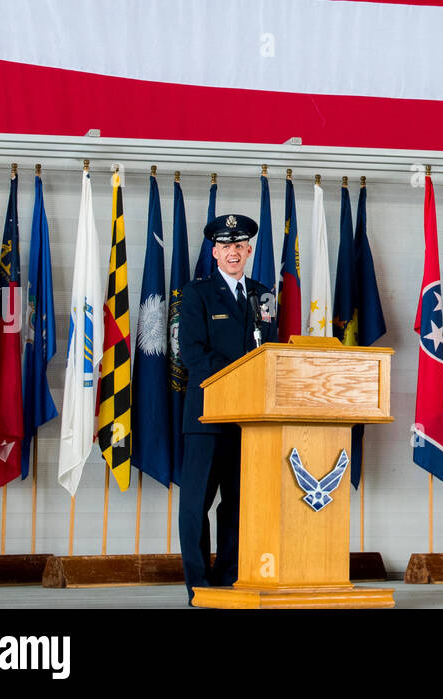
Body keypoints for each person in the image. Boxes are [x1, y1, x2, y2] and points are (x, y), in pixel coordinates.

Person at [178, 213, 278, 604]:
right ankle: (200, 587)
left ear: (249, 250)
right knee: (197, 505)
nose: (232, 252)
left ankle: (230, 578)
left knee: (238, 505)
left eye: (239, 246)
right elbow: (192, 354)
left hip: (250, 420)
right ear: (214, 252)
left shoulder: (264, 294)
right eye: (225, 246)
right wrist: (244, 373)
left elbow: (270, 349)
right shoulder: (196, 294)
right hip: (207, 416)